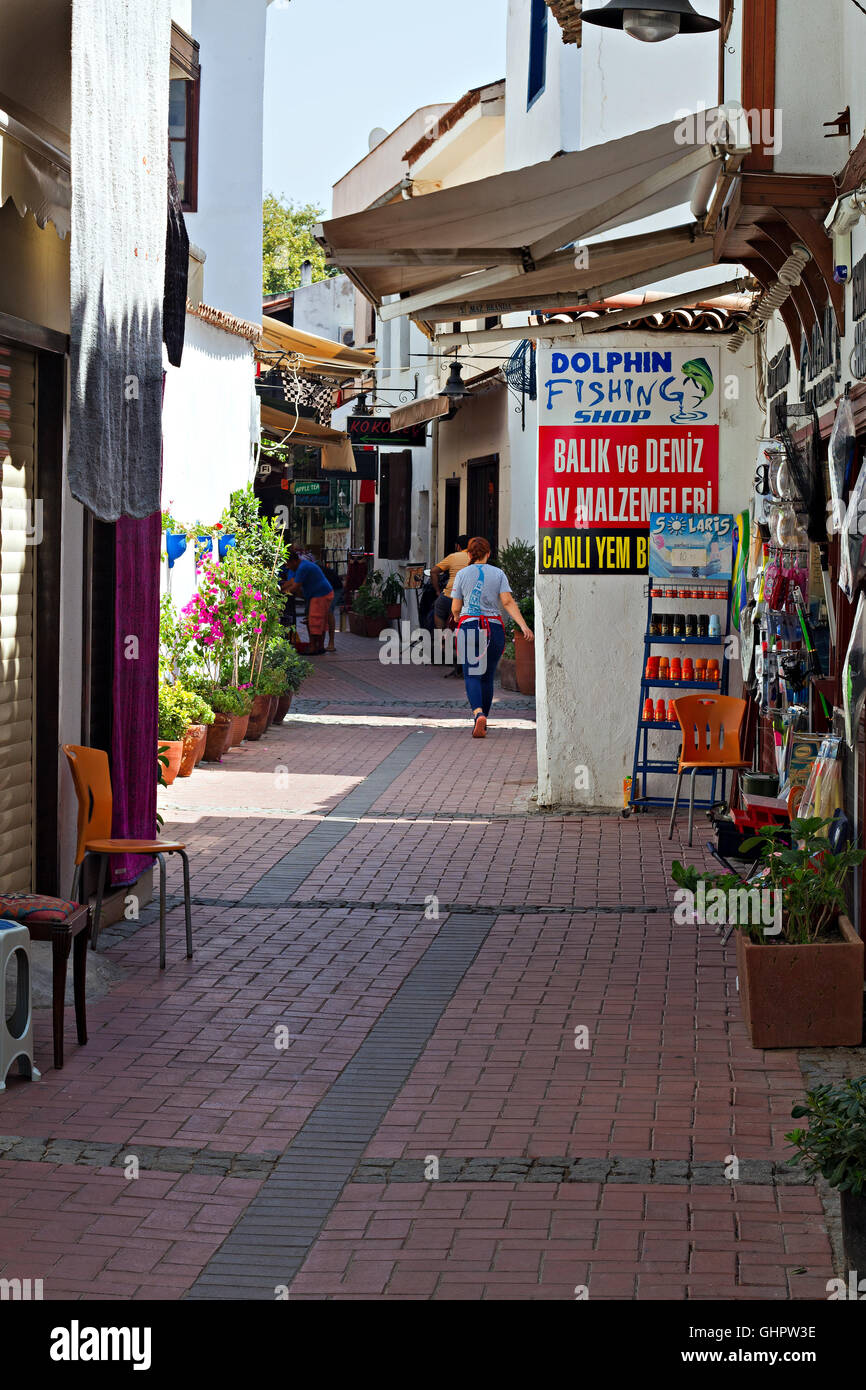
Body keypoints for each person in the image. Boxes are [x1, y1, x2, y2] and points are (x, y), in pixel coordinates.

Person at [450, 536, 533, 738]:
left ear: (469, 554)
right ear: (489, 554)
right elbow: (507, 601)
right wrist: (523, 626)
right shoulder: (499, 573)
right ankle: (484, 719)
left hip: (469, 626)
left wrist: (455, 617)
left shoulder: (462, 574)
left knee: (471, 674)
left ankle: (478, 714)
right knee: (487, 677)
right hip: (493, 629)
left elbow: (456, 607)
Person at [282, 550, 334, 654]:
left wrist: (281, 593)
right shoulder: (294, 568)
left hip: (321, 594)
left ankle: (315, 647)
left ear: (294, 561)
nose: (287, 566)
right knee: (312, 620)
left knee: (315, 621)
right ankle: (317, 646)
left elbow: (295, 587)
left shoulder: (303, 567)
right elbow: (290, 582)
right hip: (313, 595)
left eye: (288, 564)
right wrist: (281, 589)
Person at [433, 534, 470, 678]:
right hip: (468, 599)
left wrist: (437, 591)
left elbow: (435, 571)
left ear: (458, 546)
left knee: (439, 610)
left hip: (450, 595)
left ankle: (442, 639)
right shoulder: (477, 558)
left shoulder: (453, 557)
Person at [320, 560, 344, 653]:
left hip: (335, 587)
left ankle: (331, 643)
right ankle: (321, 643)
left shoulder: (308, 570)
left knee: (329, 611)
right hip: (327, 586)